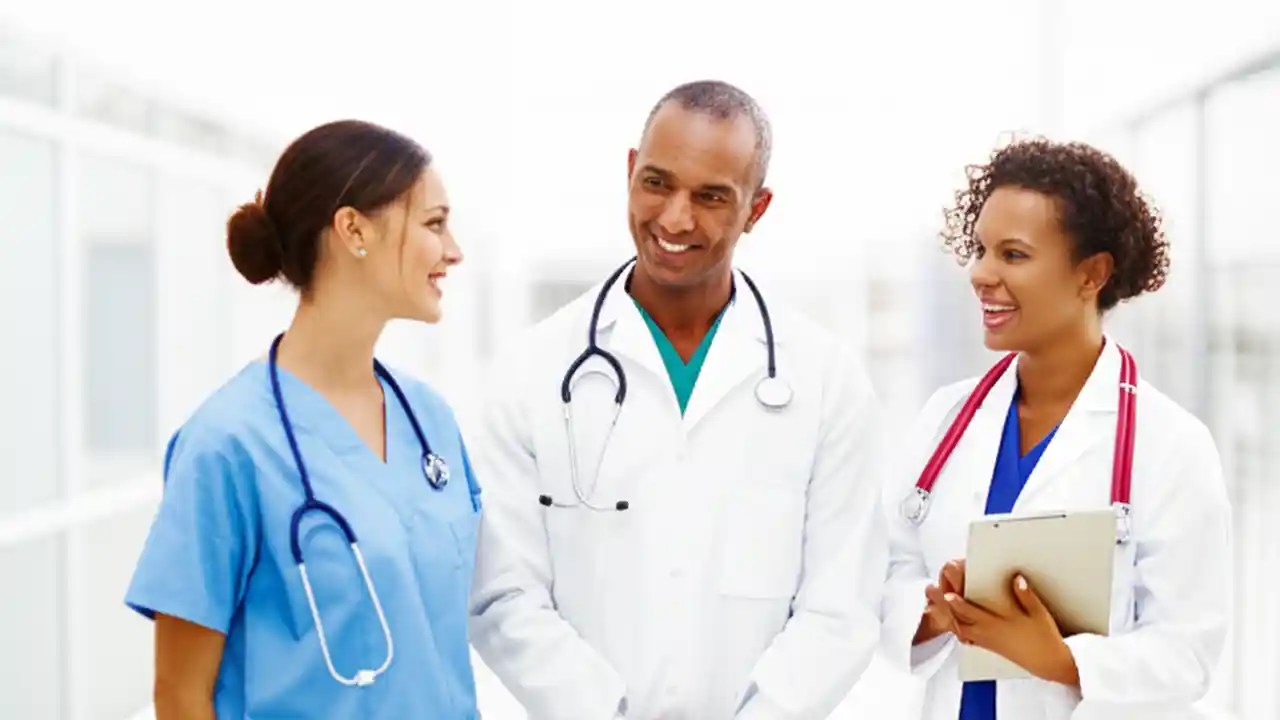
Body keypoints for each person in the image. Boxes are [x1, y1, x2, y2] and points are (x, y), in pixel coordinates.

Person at [467, 79, 886, 720]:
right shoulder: (534, 372)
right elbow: (505, 597)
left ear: (756, 208)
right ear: (630, 171)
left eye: (711, 197)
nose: (674, 218)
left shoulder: (826, 380)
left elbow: (842, 604)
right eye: (657, 183)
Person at [124, 120, 481, 719]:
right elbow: (181, 696)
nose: (453, 250)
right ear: (354, 229)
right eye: (434, 223)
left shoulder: (430, 420)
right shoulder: (228, 445)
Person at [880, 137, 1232, 719]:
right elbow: (891, 569)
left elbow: (1188, 655)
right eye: (981, 249)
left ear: (1092, 274)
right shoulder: (947, 417)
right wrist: (933, 612)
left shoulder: (1171, 444)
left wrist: (1060, 659)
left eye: (1013, 255)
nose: (981, 274)